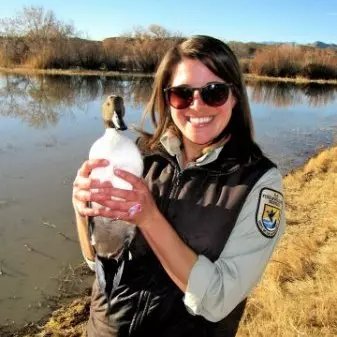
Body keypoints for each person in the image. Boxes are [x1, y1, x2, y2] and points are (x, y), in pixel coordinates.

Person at [72, 35, 285, 337]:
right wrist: (84, 210)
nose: (196, 106)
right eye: (182, 94)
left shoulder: (260, 183)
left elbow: (218, 300)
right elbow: (97, 262)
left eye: (214, 92)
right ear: (166, 98)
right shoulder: (139, 155)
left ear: (235, 97)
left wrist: (149, 218)